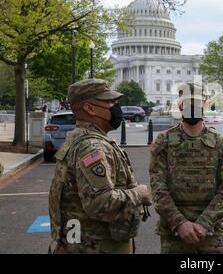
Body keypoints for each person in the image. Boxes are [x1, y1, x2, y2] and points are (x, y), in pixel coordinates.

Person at [48, 79, 151, 254]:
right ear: (89, 108)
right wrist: (139, 193)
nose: (116, 107)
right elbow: (100, 203)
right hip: (97, 246)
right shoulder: (92, 146)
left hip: (79, 243)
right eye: (110, 102)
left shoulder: (79, 138)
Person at [149, 82, 223, 254]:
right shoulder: (164, 141)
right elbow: (158, 187)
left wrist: (204, 223)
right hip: (174, 232)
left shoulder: (220, 142)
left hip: (213, 231)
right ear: (180, 106)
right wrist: (180, 223)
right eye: (188, 103)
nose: (192, 107)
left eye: (197, 103)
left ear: (205, 105)